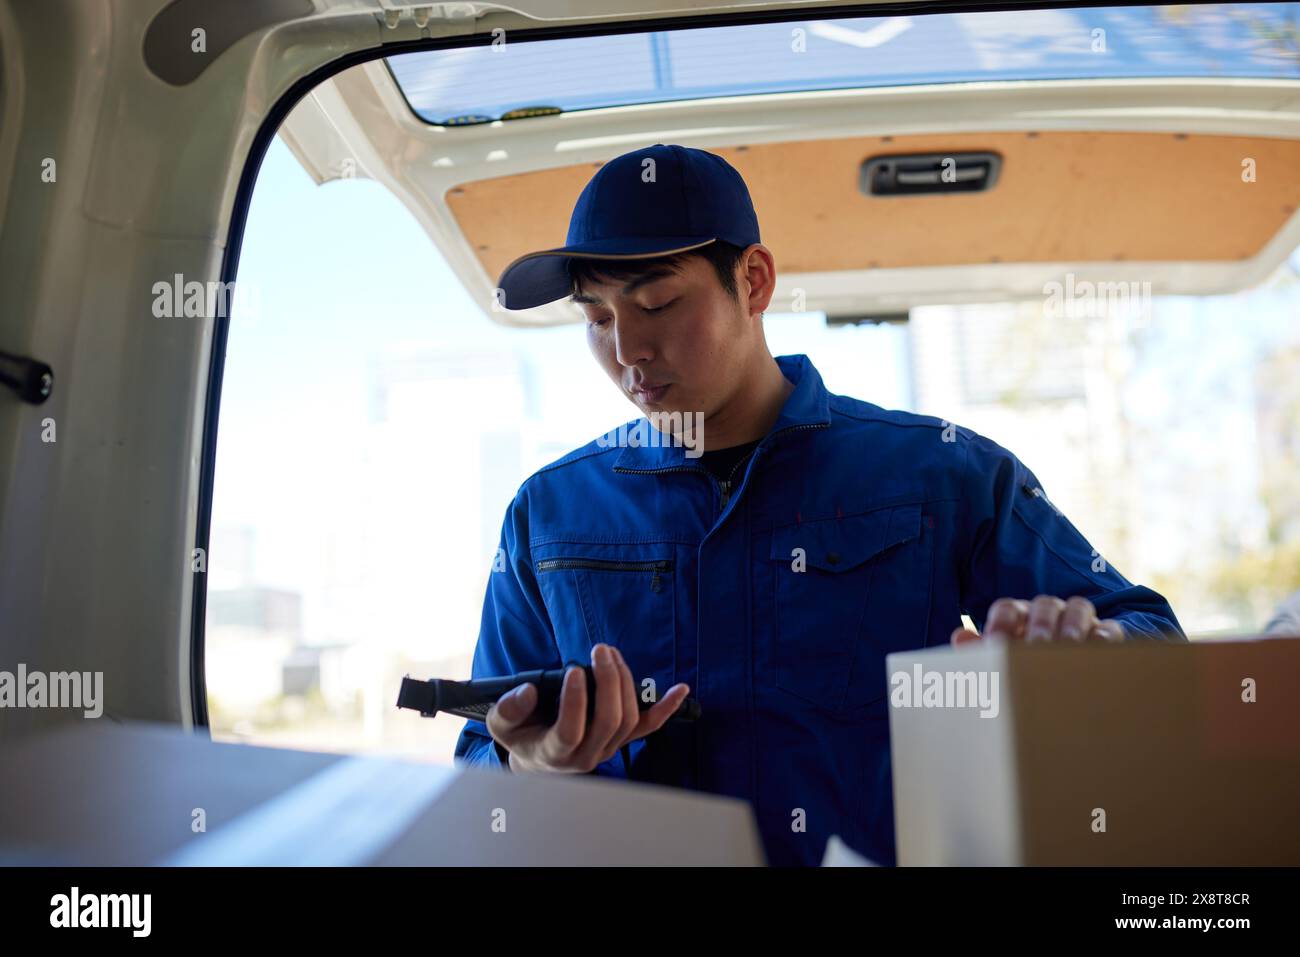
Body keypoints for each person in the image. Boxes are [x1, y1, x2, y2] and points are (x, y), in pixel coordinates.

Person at [453, 143, 1185, 866]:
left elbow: (1156, 639)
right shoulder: (542, 515)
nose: (629, 348)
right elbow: (477, 773)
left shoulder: (945, 471)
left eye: (657, 302)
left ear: (755, 280)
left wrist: (1087, 652)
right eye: (598, 318)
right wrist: (532, 767)